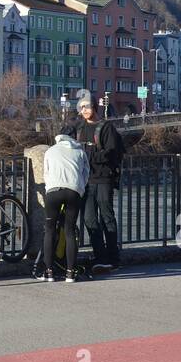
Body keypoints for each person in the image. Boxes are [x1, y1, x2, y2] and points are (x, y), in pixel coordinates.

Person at [34, 124, 90, 283]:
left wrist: (50, 187)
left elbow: (46, 173)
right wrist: (79, 188)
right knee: (70, 231)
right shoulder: (80, 151)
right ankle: (71, 273)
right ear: (74, 136)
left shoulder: (51, 151)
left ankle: (49, 272)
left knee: (50, 230)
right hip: (73, 192)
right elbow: (86, 173)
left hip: (53, 192)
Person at [76, 96, 123, 270]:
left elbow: (111, 152)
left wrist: (90, 154)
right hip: (86, 180)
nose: (84, 110)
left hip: (103, 178)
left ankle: (113, 257)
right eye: (81, 108)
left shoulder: (106, 128)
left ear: (94, 106)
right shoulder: (79, 128)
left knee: (107, 217)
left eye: (87, 106)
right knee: (89, 218)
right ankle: (99, 255)